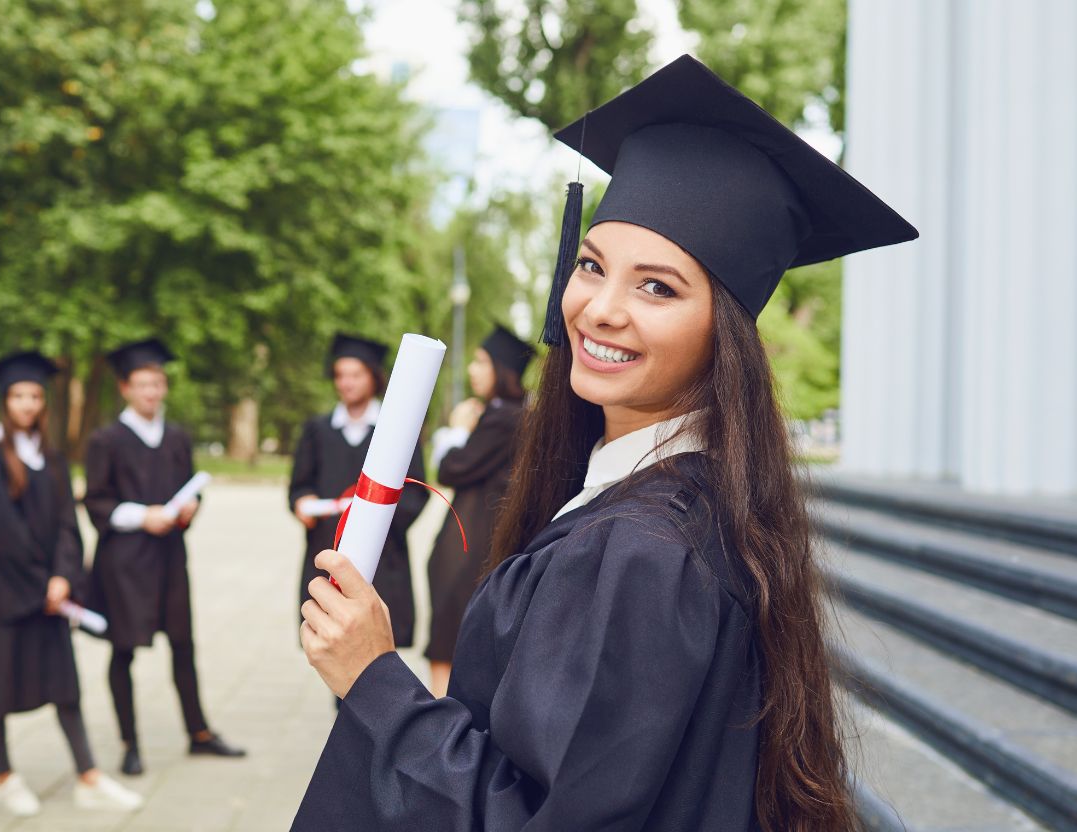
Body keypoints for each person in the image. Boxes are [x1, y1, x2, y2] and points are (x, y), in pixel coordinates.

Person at [291, 55, 918, 831]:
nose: (599, 309)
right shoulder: (700, 506)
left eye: (657, 286)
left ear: (722, 334)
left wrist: (373, 678)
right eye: (591, 266)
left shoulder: (638, 553)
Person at [0, 351, 142, 816]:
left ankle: (88, 776)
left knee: (63, 684)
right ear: (4, 401)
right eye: (18, 396)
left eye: (35, 396)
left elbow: (66, 523)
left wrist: (63, 576)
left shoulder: (52, 458)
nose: (27, 404)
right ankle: (4, 776)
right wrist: (45, 583)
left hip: (47, 591)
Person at [83, 338, 245, 777]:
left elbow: (192, 488)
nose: (151, 392)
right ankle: (129, 742)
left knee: (183, 643)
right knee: (123, 649)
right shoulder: (106, 440)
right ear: (125, 389)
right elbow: (96, 502)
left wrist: (190, 510)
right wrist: (142, 516)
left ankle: (199, 733)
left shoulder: (176, 438)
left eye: (157, 383)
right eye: (142, 384)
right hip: (125, 560)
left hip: (171, 556)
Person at [289, 333, 429, 655]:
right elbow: (299, 485)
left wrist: (376, 520)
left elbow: (416, 492)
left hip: (383, 555)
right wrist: (301, 503)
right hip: (328, 548)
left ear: (373, 377)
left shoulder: (396, 431)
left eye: (355, 375)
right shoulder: (317, 430)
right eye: (340, 375)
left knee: (377, 649)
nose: (346, 383)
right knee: (331, 639)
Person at [425, 325, 532, 696]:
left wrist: (457, 430)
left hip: (470, 543)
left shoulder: (504, 416)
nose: (472, 369)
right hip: (480, 540)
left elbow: (451, 468)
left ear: (502, 369)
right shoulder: (517, 412)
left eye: (481, 361)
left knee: (447, 636)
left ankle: (436, 730)